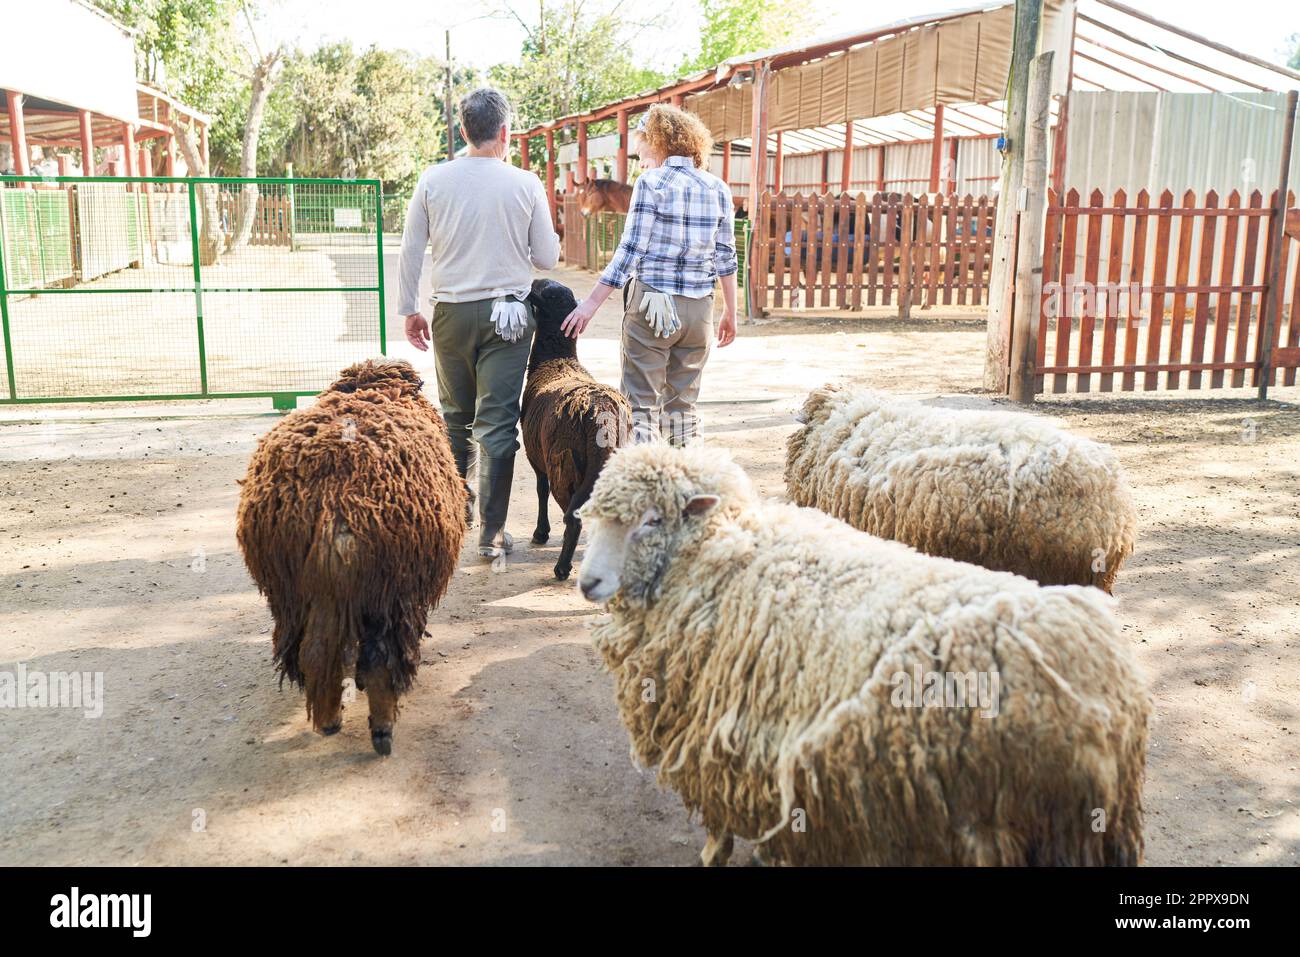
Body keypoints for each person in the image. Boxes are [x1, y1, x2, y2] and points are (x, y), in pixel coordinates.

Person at [398, 88, 560, 558]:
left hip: (450, 312)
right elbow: (547, 258)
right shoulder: (526, 184)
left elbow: (411, 249)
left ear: (463, 131)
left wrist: (410, 308)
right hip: (508, 315)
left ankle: (452, 516)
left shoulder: (433, 180)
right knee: (497, 424)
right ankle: (491, 535)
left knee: (455, 417)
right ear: (505, 132)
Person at [561, 104, 737, 445]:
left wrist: (589, 305)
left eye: (640, 142)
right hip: (700, 309)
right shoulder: (718, 188)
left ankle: (644, 486)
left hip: (654, 305)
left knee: (639, 408)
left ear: (656, 139)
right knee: (683, 408)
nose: (638, 152)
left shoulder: (651, 182)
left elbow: (630, 251)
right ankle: (686, 488)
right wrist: (731, 310)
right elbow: (725, 256)